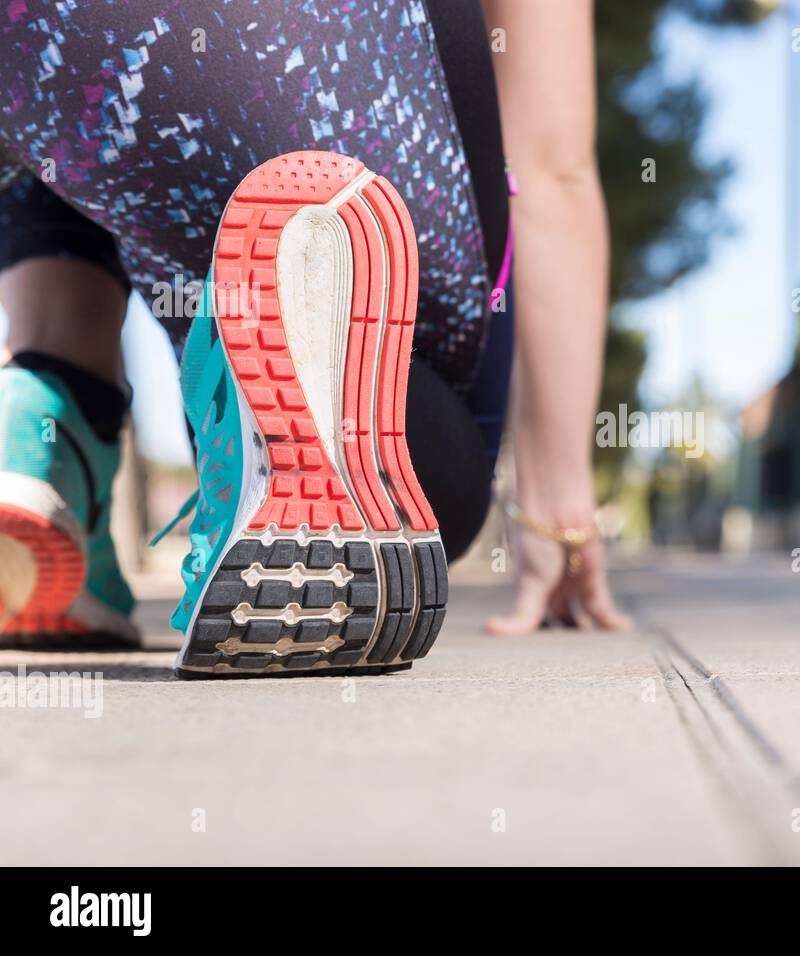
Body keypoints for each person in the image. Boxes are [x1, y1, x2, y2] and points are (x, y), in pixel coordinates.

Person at [0, 0, 628, 675]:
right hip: (331, 66)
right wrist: (560, 510)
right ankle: (306, 342)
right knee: (428, 476)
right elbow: (549, 165)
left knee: (57, 96)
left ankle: (45, 412)